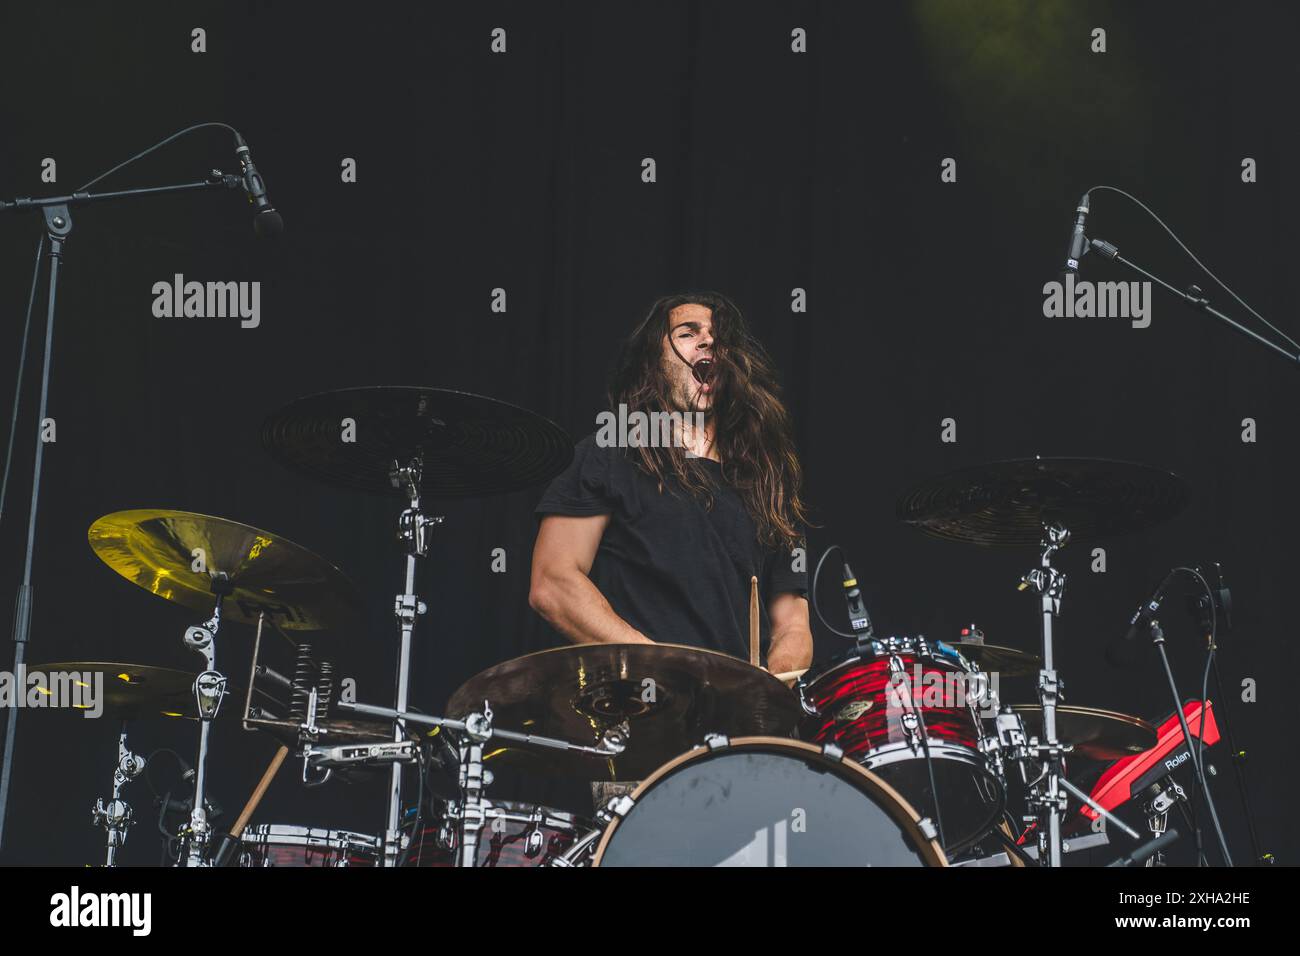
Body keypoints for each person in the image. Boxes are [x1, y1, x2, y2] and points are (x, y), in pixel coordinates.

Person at [529, 291, 812, 676]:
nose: (708, 340)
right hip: (642, 707)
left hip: (738, 721)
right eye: (687, 332)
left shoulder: (766, 477)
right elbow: (554, 584)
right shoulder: (610, 453)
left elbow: (793, 622)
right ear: (654, 362)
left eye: (718, 336)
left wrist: (766, 688)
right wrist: (664, 671)